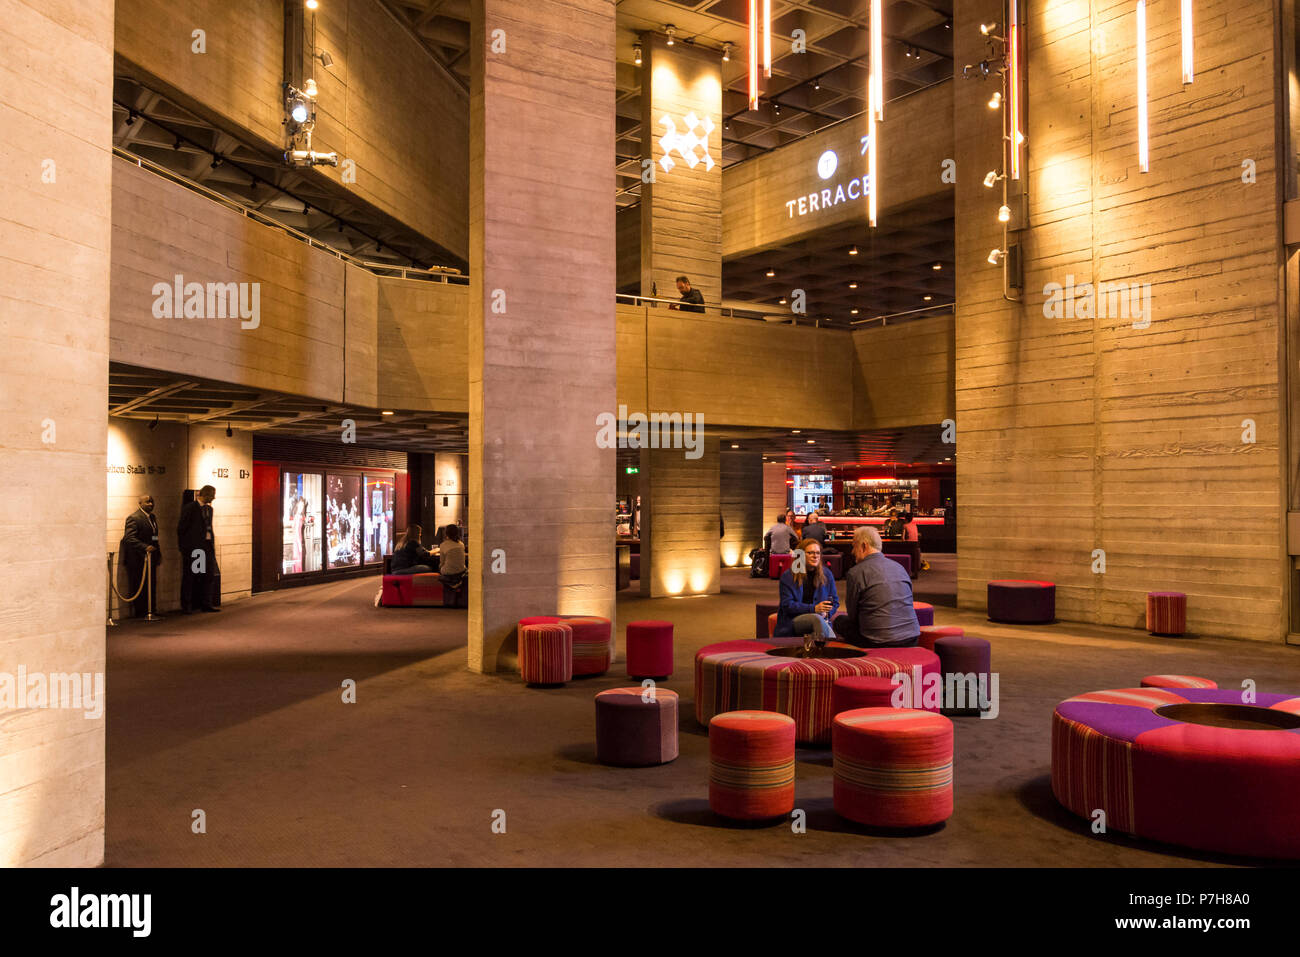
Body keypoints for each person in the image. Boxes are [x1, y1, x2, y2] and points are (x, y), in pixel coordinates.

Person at [832, 526, 920, 647]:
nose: (852, 551)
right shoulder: (900, 567)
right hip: (912, 637)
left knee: (839, 621)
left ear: (864, 546)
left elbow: (853, 615)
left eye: (854, 546)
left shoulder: (856, 572)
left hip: (877, 641)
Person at [774, 539, 839, 642]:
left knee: (820, 620)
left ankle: (823, 648)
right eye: (810, 553)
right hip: (793, 620)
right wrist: (814, 609)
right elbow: (787, 605)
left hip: (821, 620)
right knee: (816, 619)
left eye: (818, 553)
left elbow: (835, 602)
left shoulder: (827, 574)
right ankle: (830, 648)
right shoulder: (789, 576)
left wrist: (826, 614)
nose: (815, 556)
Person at [120, 493, 162, 618]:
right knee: (139, 585)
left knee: (151, 584)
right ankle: (141, 612)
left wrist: (157, 552)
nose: (150, 504)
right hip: (137, 559)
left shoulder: (153, 517)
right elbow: (129, 538)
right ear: (140, 504)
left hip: (151, 557)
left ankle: (151, 610)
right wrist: (145, 547)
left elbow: (155, 536)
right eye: (147, 502)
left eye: (152, 501)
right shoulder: (134, 518)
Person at [177, 485, 219, 613]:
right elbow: (181, 529)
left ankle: (206, 603)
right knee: (191, 576)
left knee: (208, 575)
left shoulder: (209, 510)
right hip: (195, 549)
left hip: (207, 547)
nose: (214, 498)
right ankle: (187, 605)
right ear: (205, 495)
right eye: (212, 495)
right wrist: (185, 548)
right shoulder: (190, 508)